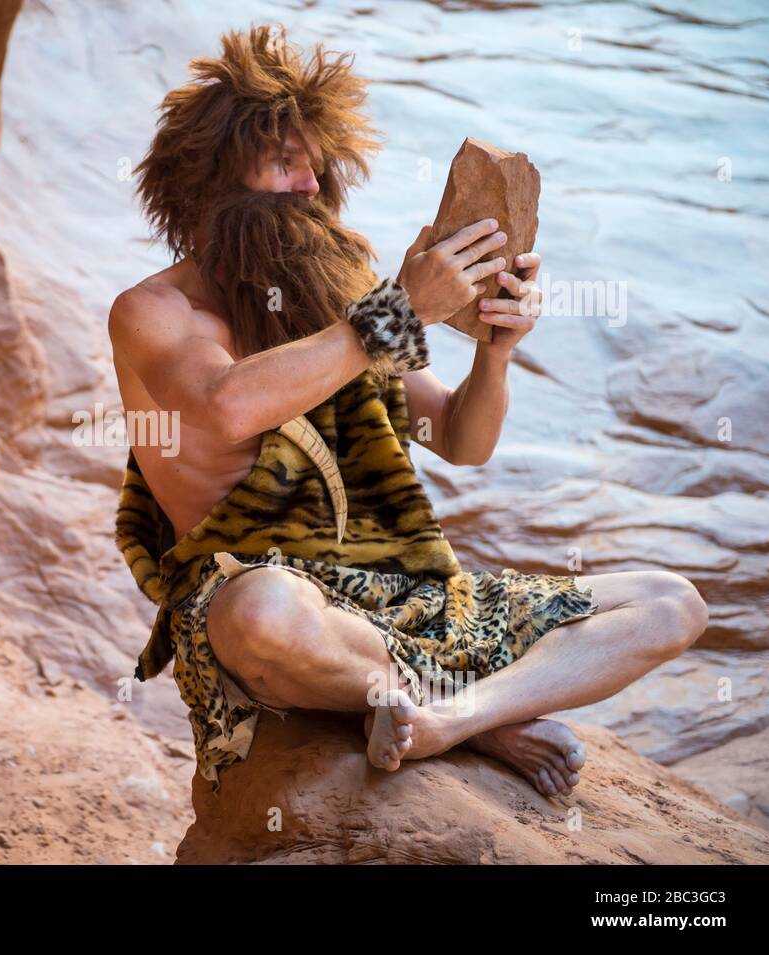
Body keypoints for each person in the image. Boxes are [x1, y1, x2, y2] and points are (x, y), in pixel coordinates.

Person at [110, 23, 707, 797]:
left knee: (671, 603)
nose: (308, 189)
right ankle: (489, 716)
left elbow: (460, 438)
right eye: (285, 164)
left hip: (403, 598)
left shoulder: (334, 306)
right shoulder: (154, 311)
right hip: (272, 602)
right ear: (214, 176)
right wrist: (396, 312)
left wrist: (495, 352)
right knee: (260, 612)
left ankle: (453, 718)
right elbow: (228, 407)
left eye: (317, 172)